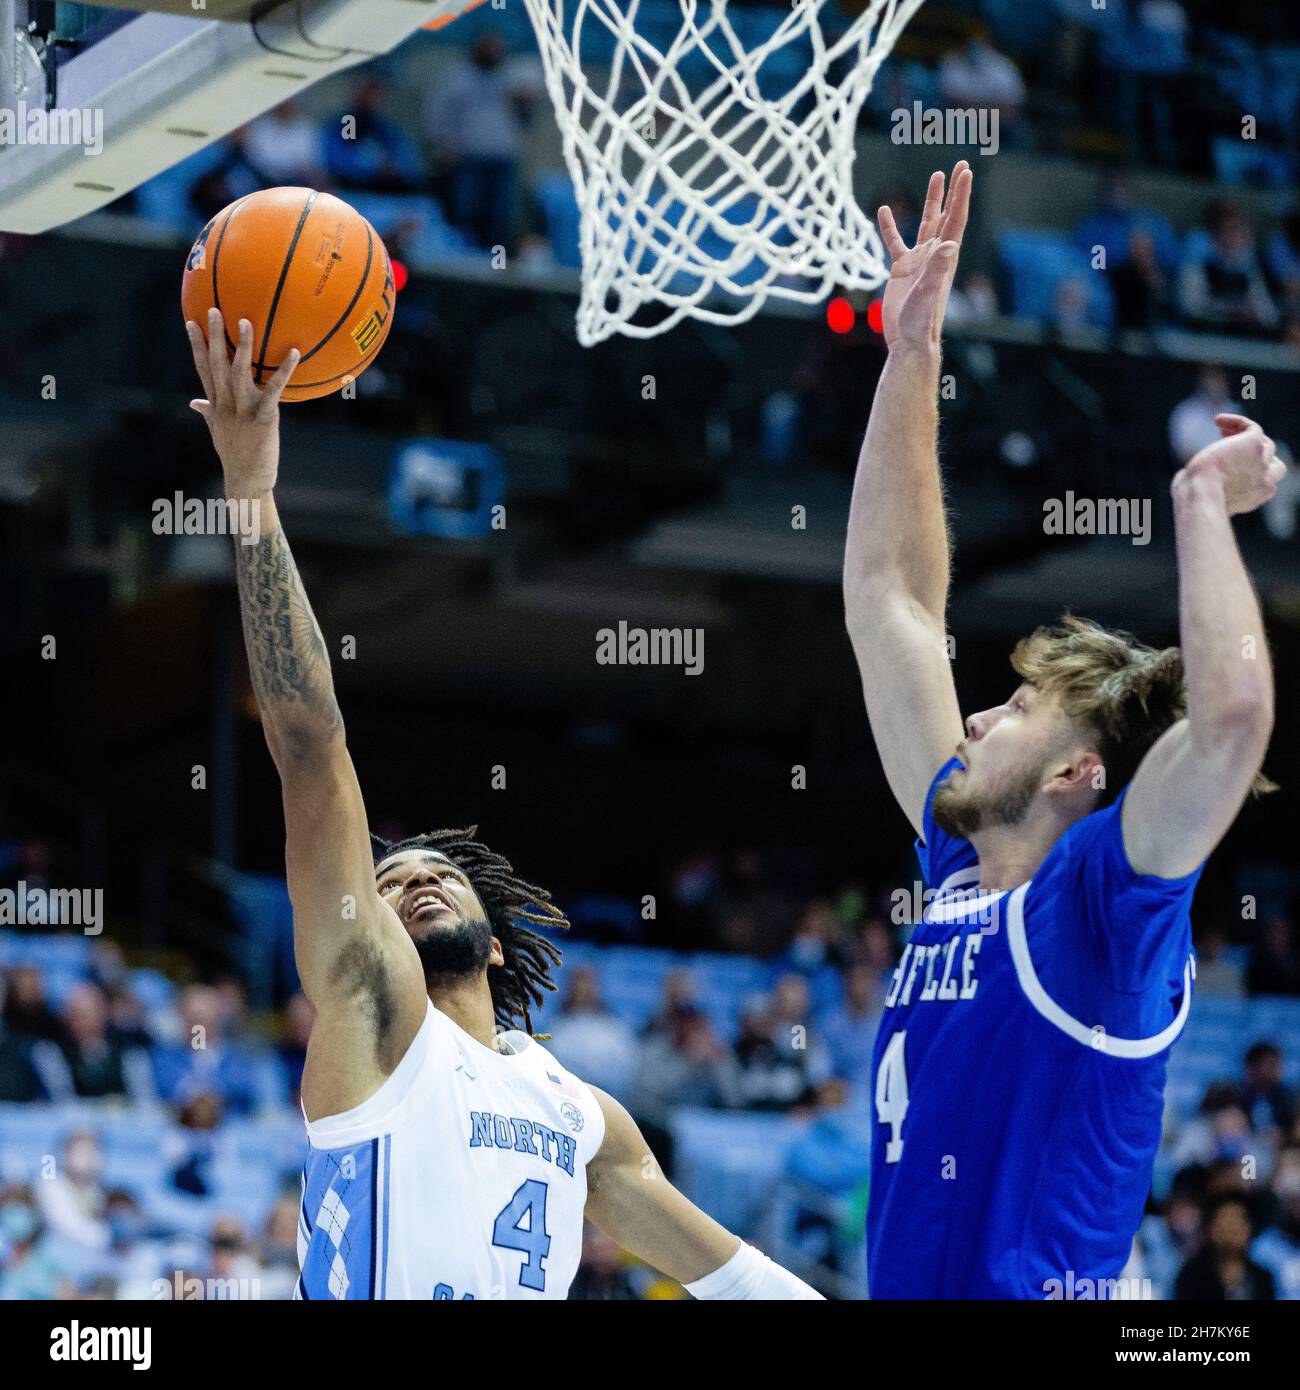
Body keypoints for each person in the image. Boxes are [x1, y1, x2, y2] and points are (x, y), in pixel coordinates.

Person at [181, 308, 820, 1302]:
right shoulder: (376, 1005)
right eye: (390, 881)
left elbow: (733, 1274)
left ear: (492, 944)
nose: (417, 876)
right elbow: (308, 745)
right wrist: (252, 495)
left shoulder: (578, 1112)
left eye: (438, 872)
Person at [844, 161, 1284, 1299]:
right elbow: (890, 599)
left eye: (1020, 706)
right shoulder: (957, 864)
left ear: (1082, 772)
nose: (979, 714)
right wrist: (911, 356)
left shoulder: (1104, 906)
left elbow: (1232, 721)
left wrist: (1199, 506)